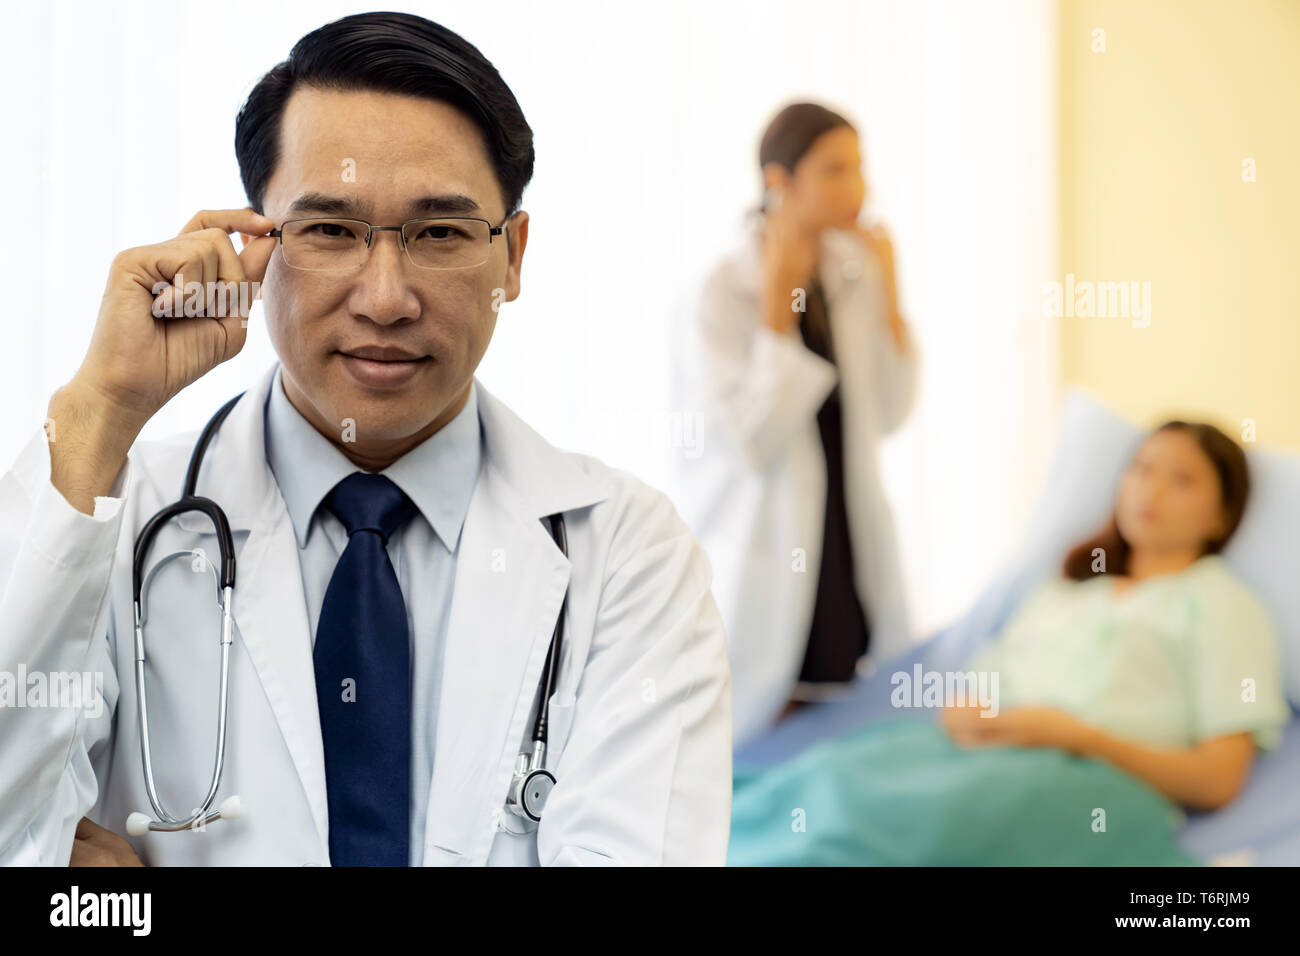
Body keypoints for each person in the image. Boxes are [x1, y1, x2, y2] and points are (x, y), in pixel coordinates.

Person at [0, 12, 731, 867]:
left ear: (515, 257)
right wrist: (100, 407)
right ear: (251, 248)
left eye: (440, 234)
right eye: (331, 231)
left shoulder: (629, 557)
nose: (386, 298)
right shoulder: (115, 524)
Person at [728, 421, 1291, 865]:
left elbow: (1219, 779)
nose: (1152, 489)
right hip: (970, 754)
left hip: (1087, 789)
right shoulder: (1068, 589)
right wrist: (968, 715)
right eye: (1141, 468)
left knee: (882, 825)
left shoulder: (1221, 603)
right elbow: (978, 687)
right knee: (826, 780)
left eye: (1183, 479)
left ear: (1221, 516)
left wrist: (1077, 737)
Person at [672, 102, 919, 749]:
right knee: (760, 733)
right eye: (836, 170)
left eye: (860, 168)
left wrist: (892, 290)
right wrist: (777, 318)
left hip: (845, 543)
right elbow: (750, 443)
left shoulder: (853, 275)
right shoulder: (721, 291)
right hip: (767, 555)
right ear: (780, 183)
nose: (858, 189)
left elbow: (891, 414)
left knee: (850, 722)